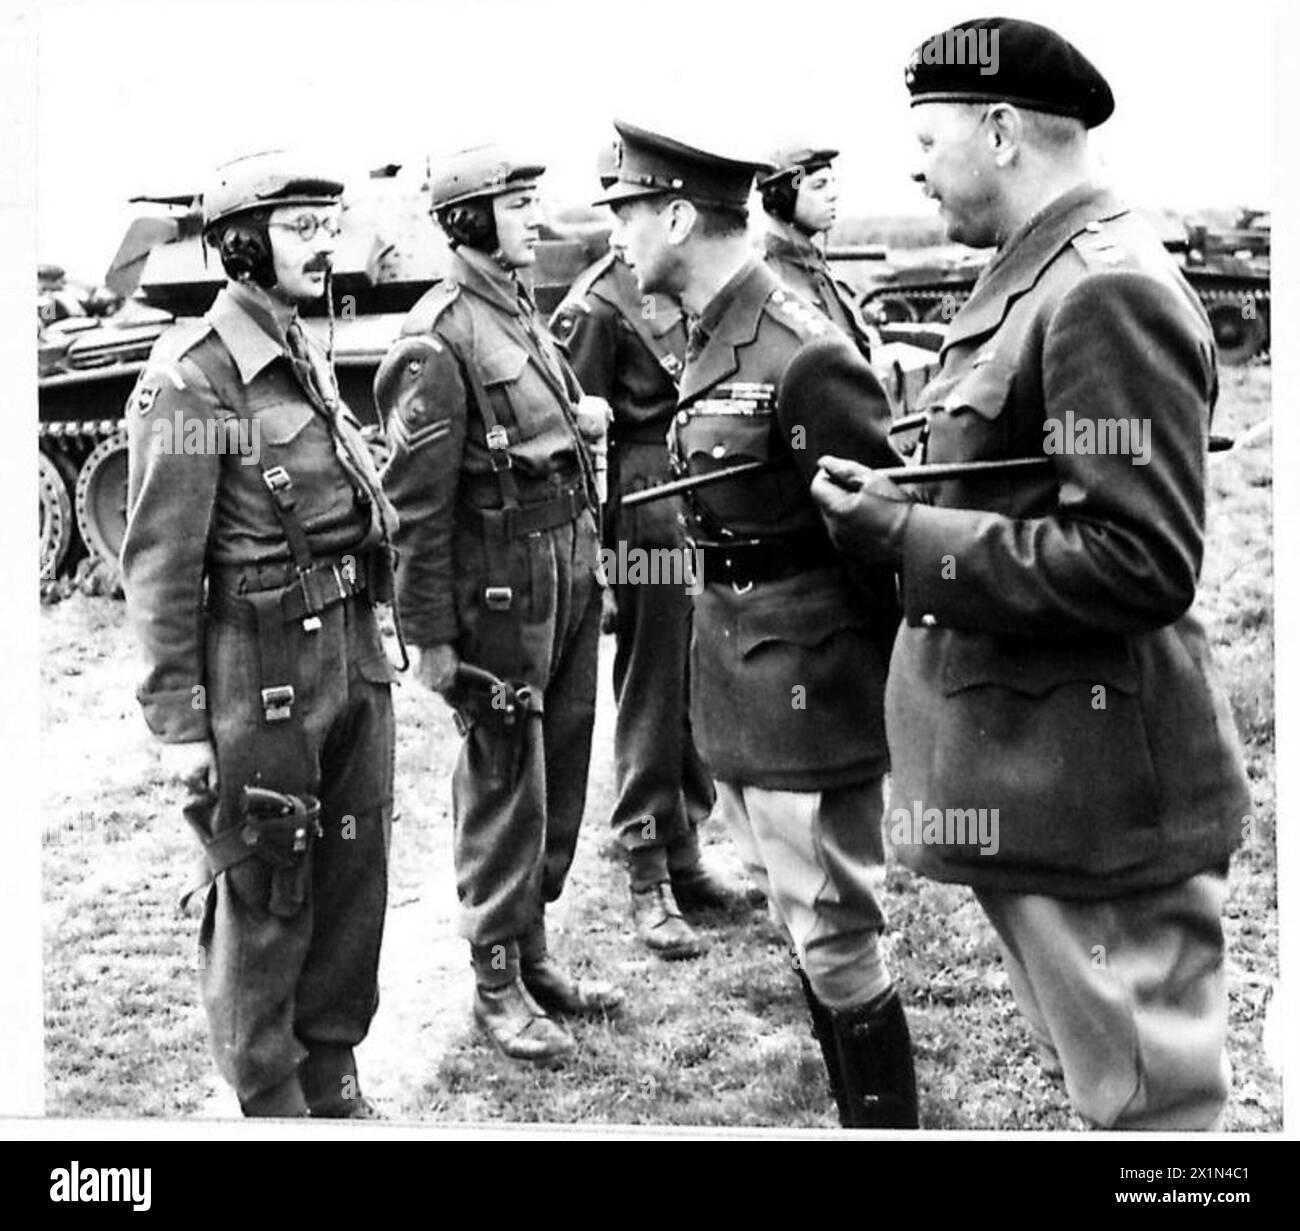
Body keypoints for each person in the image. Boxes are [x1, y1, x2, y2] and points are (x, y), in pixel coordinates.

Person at [812, 17, 1252, 1130]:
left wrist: (903, 539)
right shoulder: (1043, 274)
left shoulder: (1101, 288)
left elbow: (1137, 558)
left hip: (1099, 800)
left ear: (1000, 129)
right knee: (1120, 1101)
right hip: (1057, 785)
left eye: (927, 135)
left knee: (1155, 1125)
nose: (913, 165)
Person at [598, 120, 919, 1128]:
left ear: (681, 216)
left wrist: (870, 690)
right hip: (740, 674)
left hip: (806, 689)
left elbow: (880, 548)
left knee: (833, 933)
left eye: (627, 213)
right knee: (801, 922)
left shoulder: (799, 350)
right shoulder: (712, 329)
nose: (615, 238)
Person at [121, 150, 399, 1118]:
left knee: (353, 871)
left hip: (349, 650)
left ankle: (332, 1072)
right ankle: (272, 1096)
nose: (327, 246)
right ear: (241, 246)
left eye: (332, 226)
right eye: (302, 228)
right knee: (266, 886)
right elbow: (158, 565)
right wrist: (181, 726)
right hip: (262, 666)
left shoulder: (298, 344)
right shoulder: (194, 378)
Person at [376, 145, 622, 1067]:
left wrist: (580, 416)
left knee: (557, 759)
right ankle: (493, 976)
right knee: (504, 777)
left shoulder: (513, 310)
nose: (534, 217)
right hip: (500, 588)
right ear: (470, 220)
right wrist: (431, 641)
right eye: (516, 204)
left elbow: (537, 423)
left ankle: (533, 949)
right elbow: (415, 511)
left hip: (561, 569)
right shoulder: (436, 336)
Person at [550, 144, 752, 961]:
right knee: (651, 681)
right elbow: (573, 433)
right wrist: (598, 558)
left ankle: (686, 850)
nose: (624, 215)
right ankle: (645, 869)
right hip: (643, 504)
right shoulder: (598, 304)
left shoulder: (674, 281)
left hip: (689, 494)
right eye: (620, 203)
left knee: (694, 679)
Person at [758, 145, 877, 356]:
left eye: (831, 184)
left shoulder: (818, 270)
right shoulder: (770, 280)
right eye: (819, 185)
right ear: (782, 198)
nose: (833, 195)